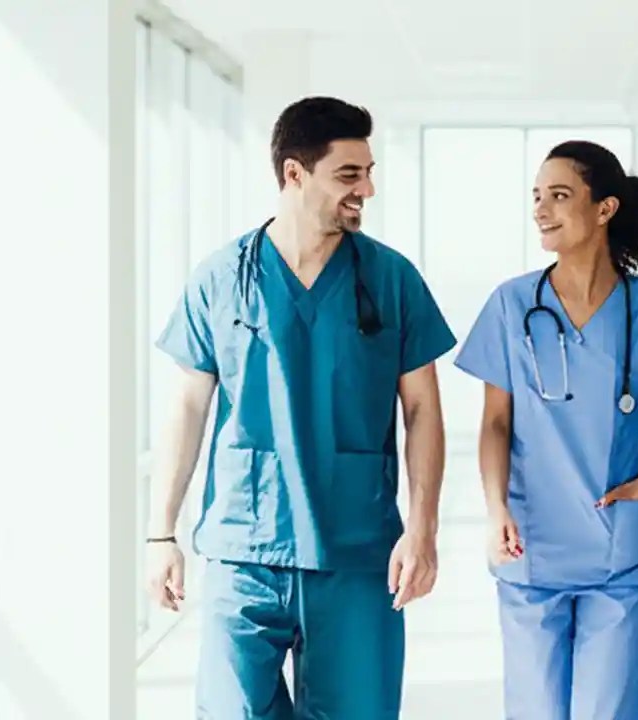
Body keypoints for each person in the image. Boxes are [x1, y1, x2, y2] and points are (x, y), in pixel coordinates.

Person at [145, 96, 456, 719]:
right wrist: (161, 533)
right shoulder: (222, 278)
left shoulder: (391, 279)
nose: (366, 189)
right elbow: (188, 407)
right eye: (349, 174)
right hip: (245, 549)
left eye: (369, 172)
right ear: (295, 173)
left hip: (357, 551)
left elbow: (423, 410)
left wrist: (423, 528)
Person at [453, 140, 638, 719]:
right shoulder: (512, 304)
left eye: (559, 195)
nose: (541, 209)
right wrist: (496, 507)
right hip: (532, 542)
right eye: (537, 196)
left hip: (619, 547)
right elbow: (495, 422)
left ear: (604, 208)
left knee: (611, 711)